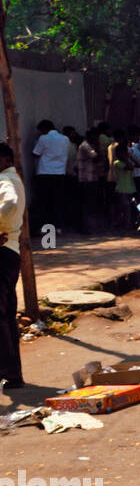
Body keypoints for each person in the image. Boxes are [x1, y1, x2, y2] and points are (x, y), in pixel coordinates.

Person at [0, 142, 26, 390]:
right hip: (10, 252)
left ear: (5, 159)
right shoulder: (11, 178)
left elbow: (10, 204)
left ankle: (10, 373)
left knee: (3, 317)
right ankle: (11, 373)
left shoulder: (5, 181)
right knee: (6, 315)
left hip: (4, 253)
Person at [31, 120, 71, 232]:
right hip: (60, 173)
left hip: (45, 172)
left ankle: (45, 226)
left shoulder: (43, 138)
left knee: (44, 201)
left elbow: (36, 153)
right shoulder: (65, 139)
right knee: (58, 200)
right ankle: (58, 226)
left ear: (44, 129)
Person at [107, 129, 138, 228]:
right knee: (125, 208)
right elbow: (131, 167)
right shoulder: (117, 163)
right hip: (122, 189)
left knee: (129, 208)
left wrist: (130, 157)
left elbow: (138, 165)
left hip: (130, 188)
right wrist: (127, 158)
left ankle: (128, 224)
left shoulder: (124, 162)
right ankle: (125, 225)